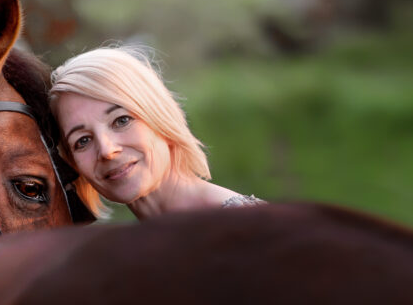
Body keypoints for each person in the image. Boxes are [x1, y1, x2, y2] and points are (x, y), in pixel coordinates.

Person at [49, 45, 263, 220]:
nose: (106, 150)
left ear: (159, 115)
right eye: (83, 141)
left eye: (121, 121)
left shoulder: (248, 226)